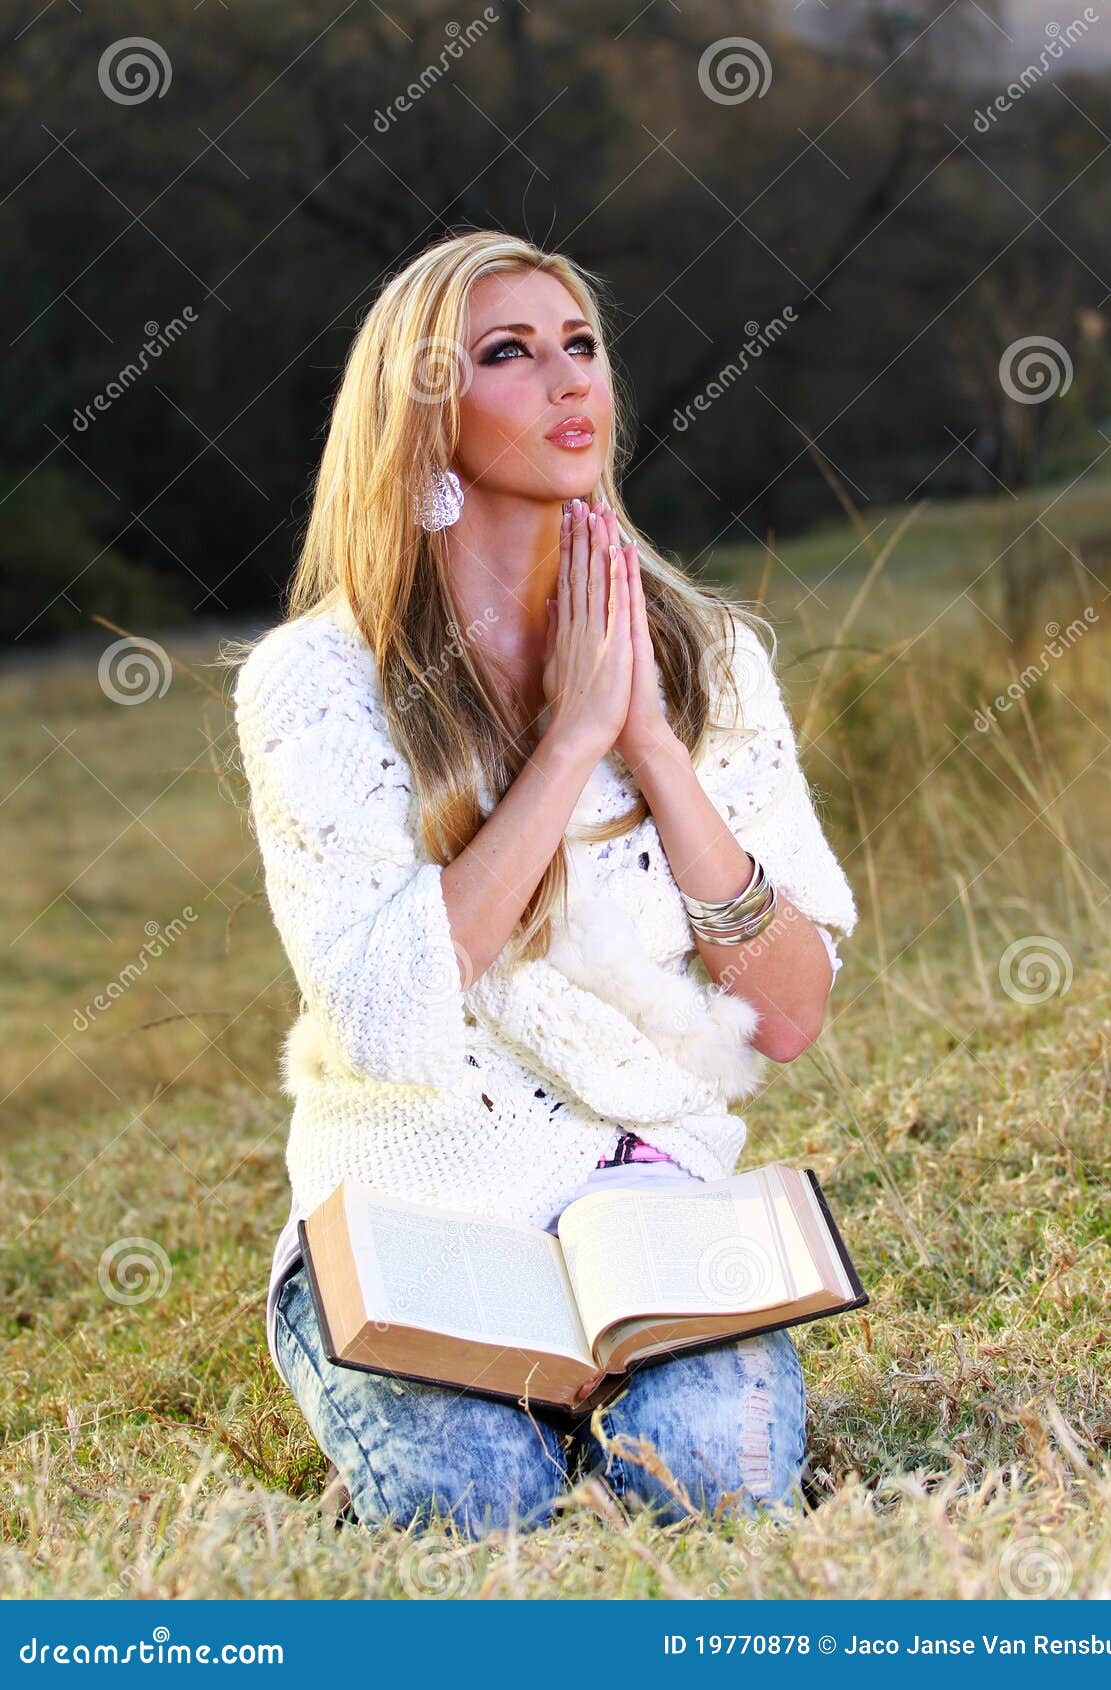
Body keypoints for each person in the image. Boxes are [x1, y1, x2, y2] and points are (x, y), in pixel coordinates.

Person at [222, 229, 858, 1542]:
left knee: (712, 1483)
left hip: (645, 1206)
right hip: (410, 1213)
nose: (571, 380)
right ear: (421, 414)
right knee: (476, 1505)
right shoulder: (316, 683)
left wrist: (651, 745)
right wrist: (567, 747)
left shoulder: (713, 657)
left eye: (582, 346)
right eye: (510, 354)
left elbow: (791, 1015)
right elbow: (384, 1014)